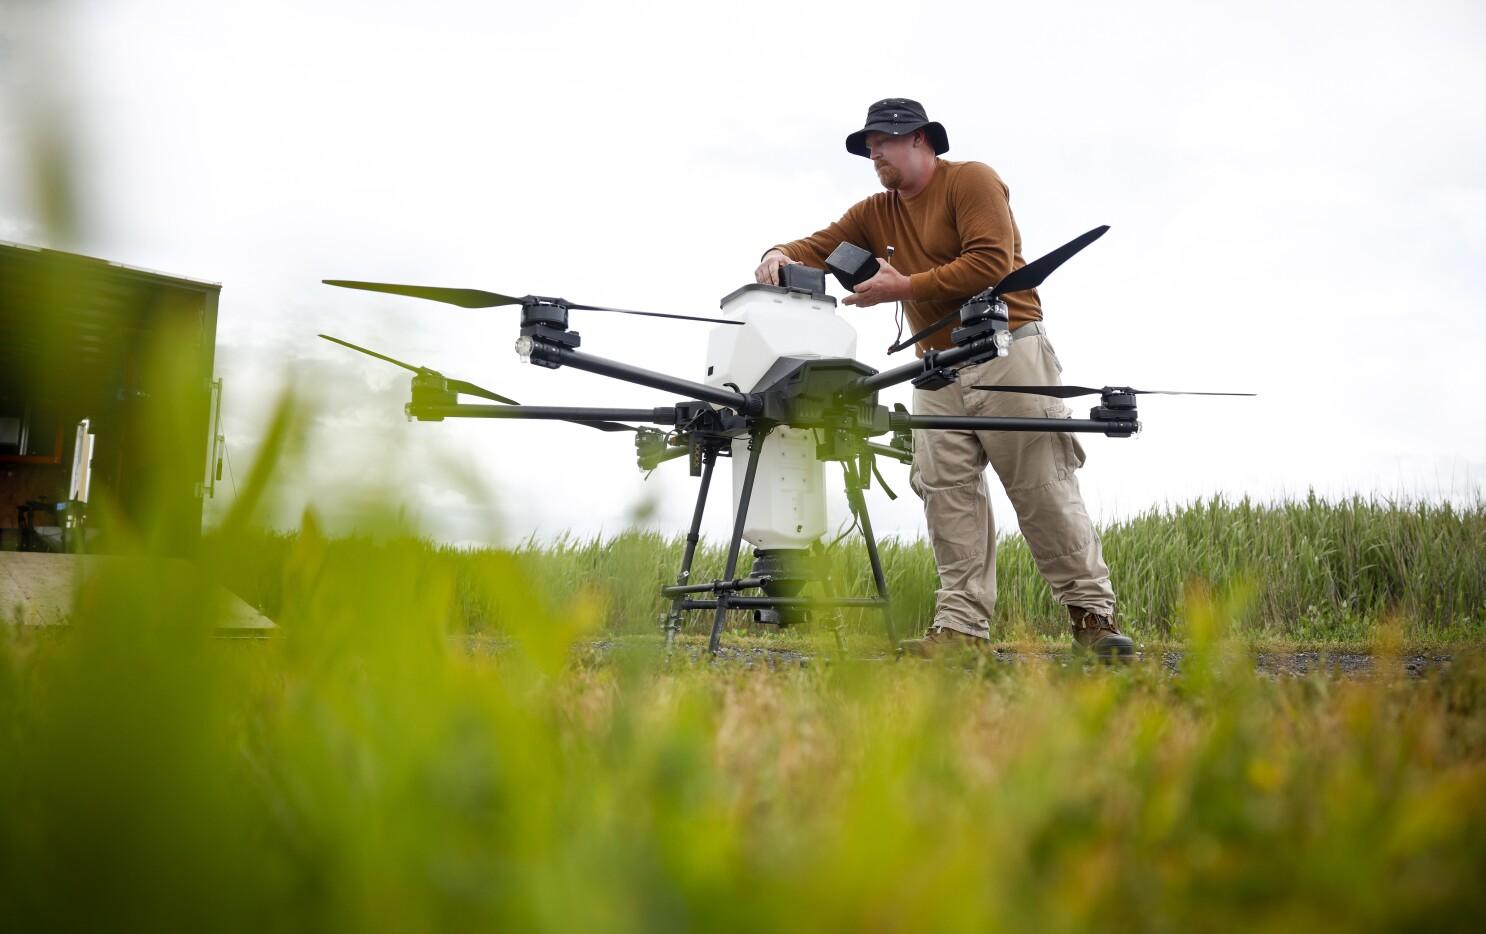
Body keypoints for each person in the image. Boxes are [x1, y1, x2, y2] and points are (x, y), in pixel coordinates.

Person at [754, 98, 1132, 657]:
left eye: (884, 140)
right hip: (935, 368)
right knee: (944, 492)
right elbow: (821, 246)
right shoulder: (875, 212)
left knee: (1041, 486)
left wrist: (901, 288)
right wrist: (776, 253)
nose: (875, 152)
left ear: (922, 140)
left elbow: (991, 263)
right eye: (869, 145)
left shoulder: (971, 182)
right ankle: (961, 629)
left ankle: (1093, 616)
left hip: (1008, 351)